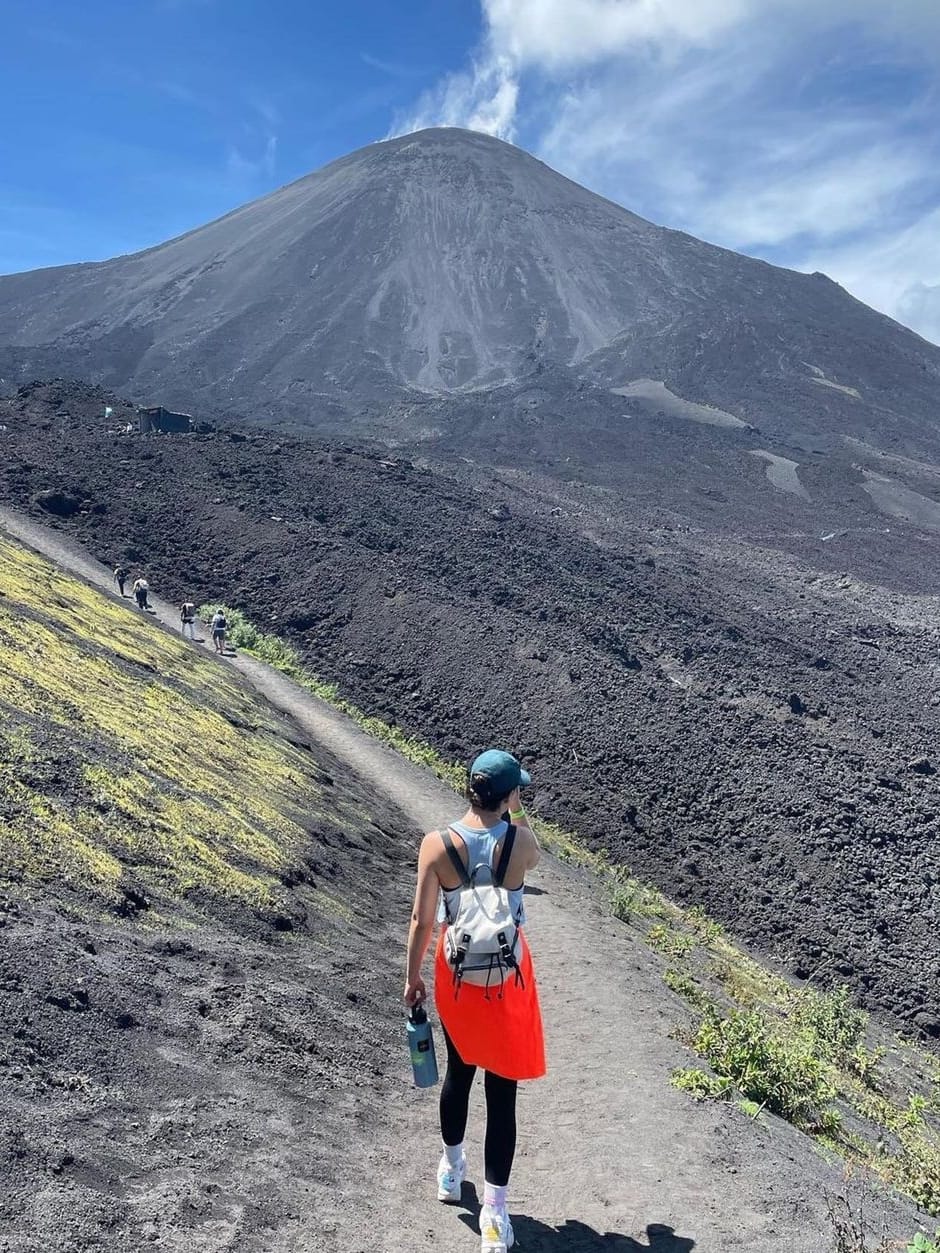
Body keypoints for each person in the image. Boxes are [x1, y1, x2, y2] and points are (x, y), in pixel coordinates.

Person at [405, 750, 545, 1253]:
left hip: (457, 978)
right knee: (501, 1094)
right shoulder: (521, 841)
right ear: (508, 796)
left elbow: (423, 922)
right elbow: (532, 853)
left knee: (459, 1074)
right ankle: (495, 1216)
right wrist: (517, 814)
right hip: (507, 980)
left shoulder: (436, 845)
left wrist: (412, 979)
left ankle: (450, 1170)